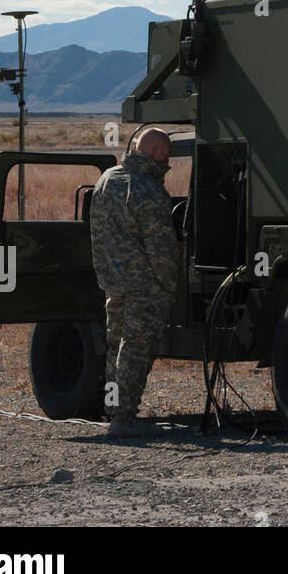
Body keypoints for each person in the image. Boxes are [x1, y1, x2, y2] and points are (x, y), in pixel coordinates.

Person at [89, 127, 178, 436]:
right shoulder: (149, 190)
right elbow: (162, 250)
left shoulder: (107, 179)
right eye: (165, 156)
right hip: (144, 285)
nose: (166, 162)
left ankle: (113, 410)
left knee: (116, 345)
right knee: (135, 348)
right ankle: (123, 419)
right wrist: (170, 286)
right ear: (156, 154)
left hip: (113, 281)